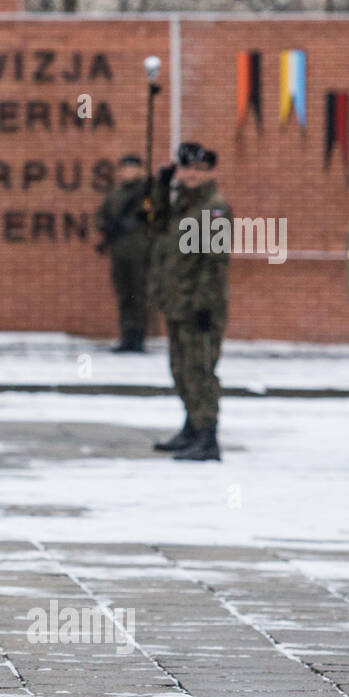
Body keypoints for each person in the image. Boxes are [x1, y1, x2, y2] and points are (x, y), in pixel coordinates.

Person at [147, 142, 230, 461]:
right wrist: (159, 186)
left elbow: (215, 263)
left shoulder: (213, 209)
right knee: (181, 370)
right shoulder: (182, 206)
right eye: (185, 169)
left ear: (212, 172)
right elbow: (153, 223)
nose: (192, 175)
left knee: (200, 371)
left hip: (200, 307)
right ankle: (192, 428)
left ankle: (207, 439)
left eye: (199, 169)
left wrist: (204, 307)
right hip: (178, 303)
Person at [95, 154, 152, 352]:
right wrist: (109, 228)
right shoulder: (115, 195)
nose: (128, 172)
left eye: (132, 168)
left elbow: (154, 216)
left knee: (139, 295)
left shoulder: (146, 193)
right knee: (124, 295)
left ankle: (139, 338)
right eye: (125, 168)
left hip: (140, 252)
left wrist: (140, 219)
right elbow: (101, 218)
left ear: (139, 170)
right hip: (119, 252)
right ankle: (126, 337)